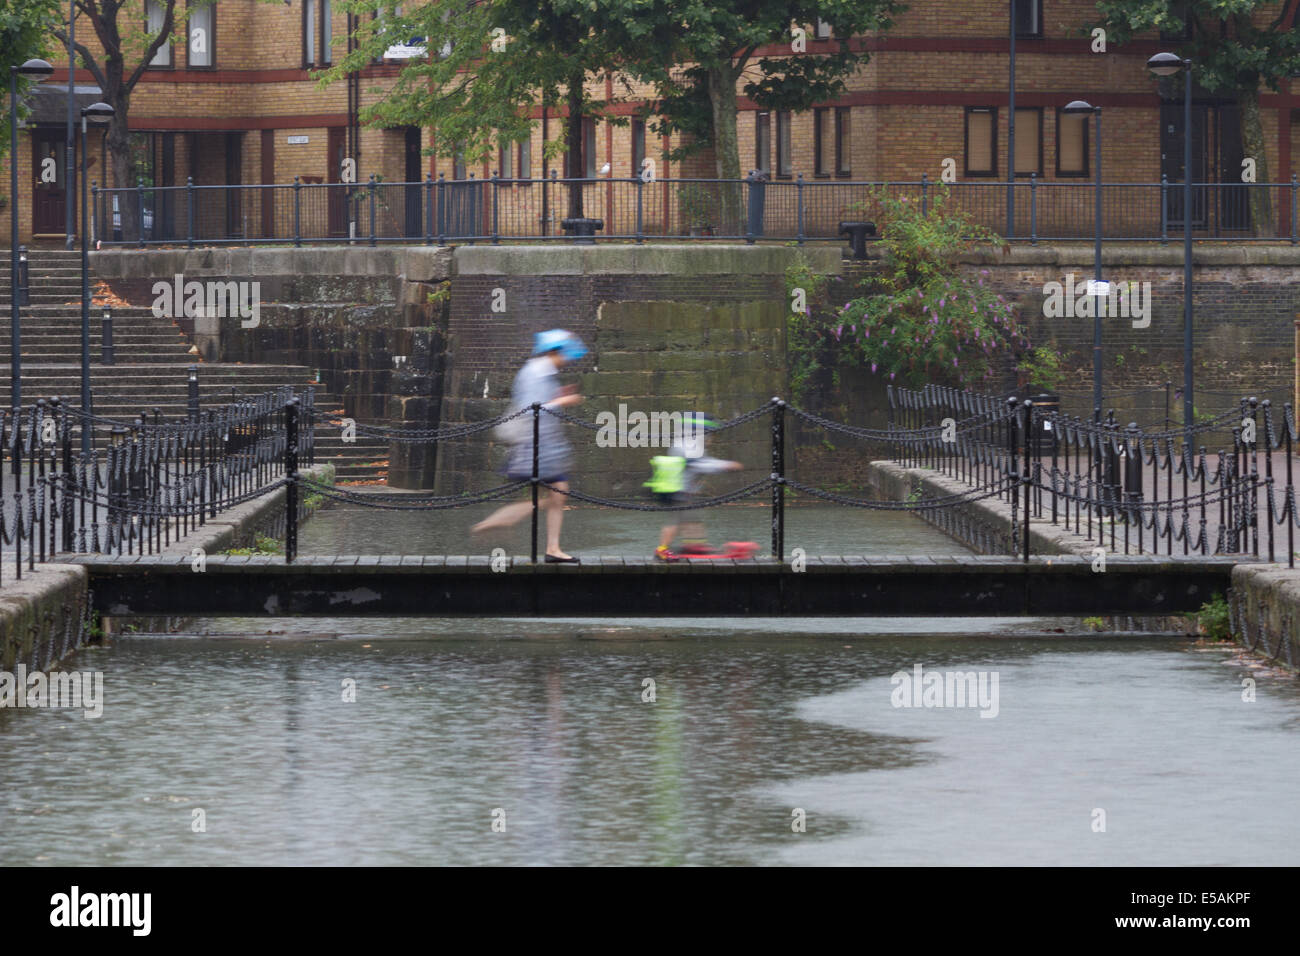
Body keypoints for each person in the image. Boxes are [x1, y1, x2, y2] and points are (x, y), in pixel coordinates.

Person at [472, 329, 587, 562]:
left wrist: (557, 398)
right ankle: (503, 522)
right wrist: (561, 400)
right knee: (556, 494)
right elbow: (531, 408)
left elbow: (541, 405)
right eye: (566, 355)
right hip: (535, 449)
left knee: (556, 494)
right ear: (555, 352)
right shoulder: (534, 372)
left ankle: (546, 545)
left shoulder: (544, 372)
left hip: (545, 447)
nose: (568, 360)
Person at [645, 414, 744, 560]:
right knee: (675, 521)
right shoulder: (688, 446)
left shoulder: (688, 444)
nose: (711, 438)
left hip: (682, 491)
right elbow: (700, 464)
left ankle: (694, 545)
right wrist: (726, 465)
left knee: (692, 517)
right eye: (709, 434)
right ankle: (662, 549)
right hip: (675, 490)